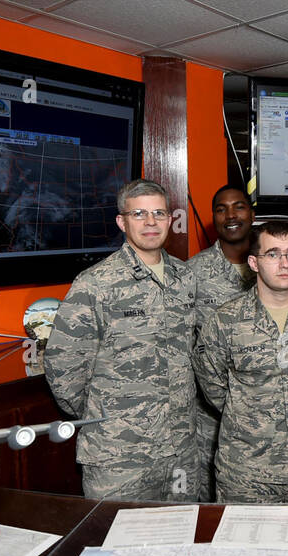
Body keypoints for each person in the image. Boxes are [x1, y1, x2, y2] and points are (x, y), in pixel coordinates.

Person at [45, 178, 197, 501]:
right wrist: (110, 417)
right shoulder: (95, 284)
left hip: (181, 454)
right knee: (115, 544)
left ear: (170, 219)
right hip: (119, 459)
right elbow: (63, 368)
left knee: (182, 540)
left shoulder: (186, 279)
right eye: (139, 214)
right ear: (122, 222)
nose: (151, 222)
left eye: (159, 213)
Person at [193, 221, 288, 503]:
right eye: (273, 254)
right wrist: (251, 415)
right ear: (254, 262)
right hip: (248, 472)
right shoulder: (226, 320)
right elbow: (212, 383)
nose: (284, 263)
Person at [186, 185, 255, 501]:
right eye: (221, 209)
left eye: (238, 206)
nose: (231, 216)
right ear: (213, 217)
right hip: (212, 412)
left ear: (251, 213)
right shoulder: (194, 272)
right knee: (213, 502)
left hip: (266, 408)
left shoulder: (273, 264)